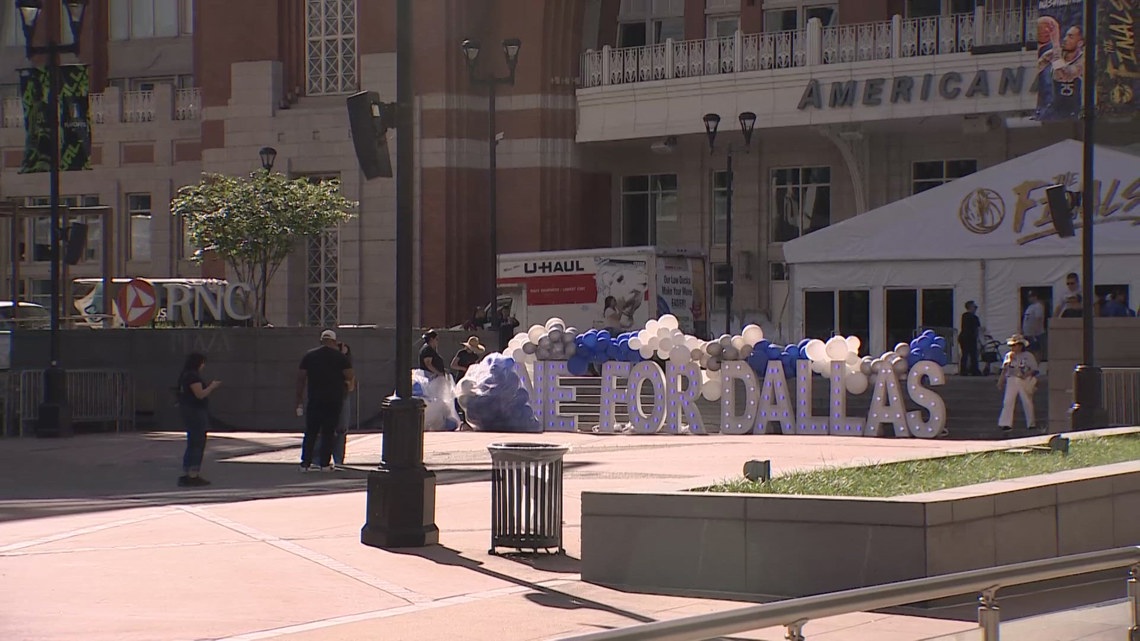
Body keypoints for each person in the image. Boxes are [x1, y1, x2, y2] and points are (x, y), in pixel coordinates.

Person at [295, 329, 355, 472]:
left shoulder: (310, 355)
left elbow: (301, 378)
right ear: (334, 341)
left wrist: (299, 400)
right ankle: (324, 463)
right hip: (333, 399)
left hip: (315, 399)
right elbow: (350, 375)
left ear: (321, 340)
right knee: (328, 432)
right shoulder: (340, 357)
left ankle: (305, 463)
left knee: (311, 432)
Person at [176, 352, 221, 487]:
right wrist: (212, 386)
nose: (203, 366)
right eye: (202, 363)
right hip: (195, 411)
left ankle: (188, 471)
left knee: (192, 441)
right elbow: (200, 394)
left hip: (188, 410)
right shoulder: (193, 376)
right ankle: (193, 473)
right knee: (198, 441)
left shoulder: (184, 375)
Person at [997, 334, 1039, 433]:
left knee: (1026, 401)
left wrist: (1026, 375)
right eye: (1011, 346)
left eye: (1015, 345)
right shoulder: (1008, 355)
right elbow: (1004, 369)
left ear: (1021, 345)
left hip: (1024, 379)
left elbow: (1034, 369)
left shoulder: (1028, 356)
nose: (1013, 348)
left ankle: (1031, 423)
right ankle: (1005, 423)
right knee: (1008, 401)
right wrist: (1000, 381)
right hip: (1011, 379)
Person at [958, 301, 981, 376]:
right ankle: (974, 370)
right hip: (970, 338)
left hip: (963, 337)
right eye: (974, 307)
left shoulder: (964, 316)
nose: (975, 309)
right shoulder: (974, 317)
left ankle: (963, 370)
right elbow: (976, 329)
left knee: (965, 354)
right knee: (973, 354)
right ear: (971, 307)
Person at [1021, 291, 1047, 360]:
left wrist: (1034, 333)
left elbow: (1038, 319)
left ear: (1035, 297)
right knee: (1029, 351)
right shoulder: (1030, 307)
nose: (1030, 298)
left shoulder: (1038, 306)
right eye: (1029, 297)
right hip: (1028, 334)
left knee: (1037, 351)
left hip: (1036, 334)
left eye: (1032, 296)